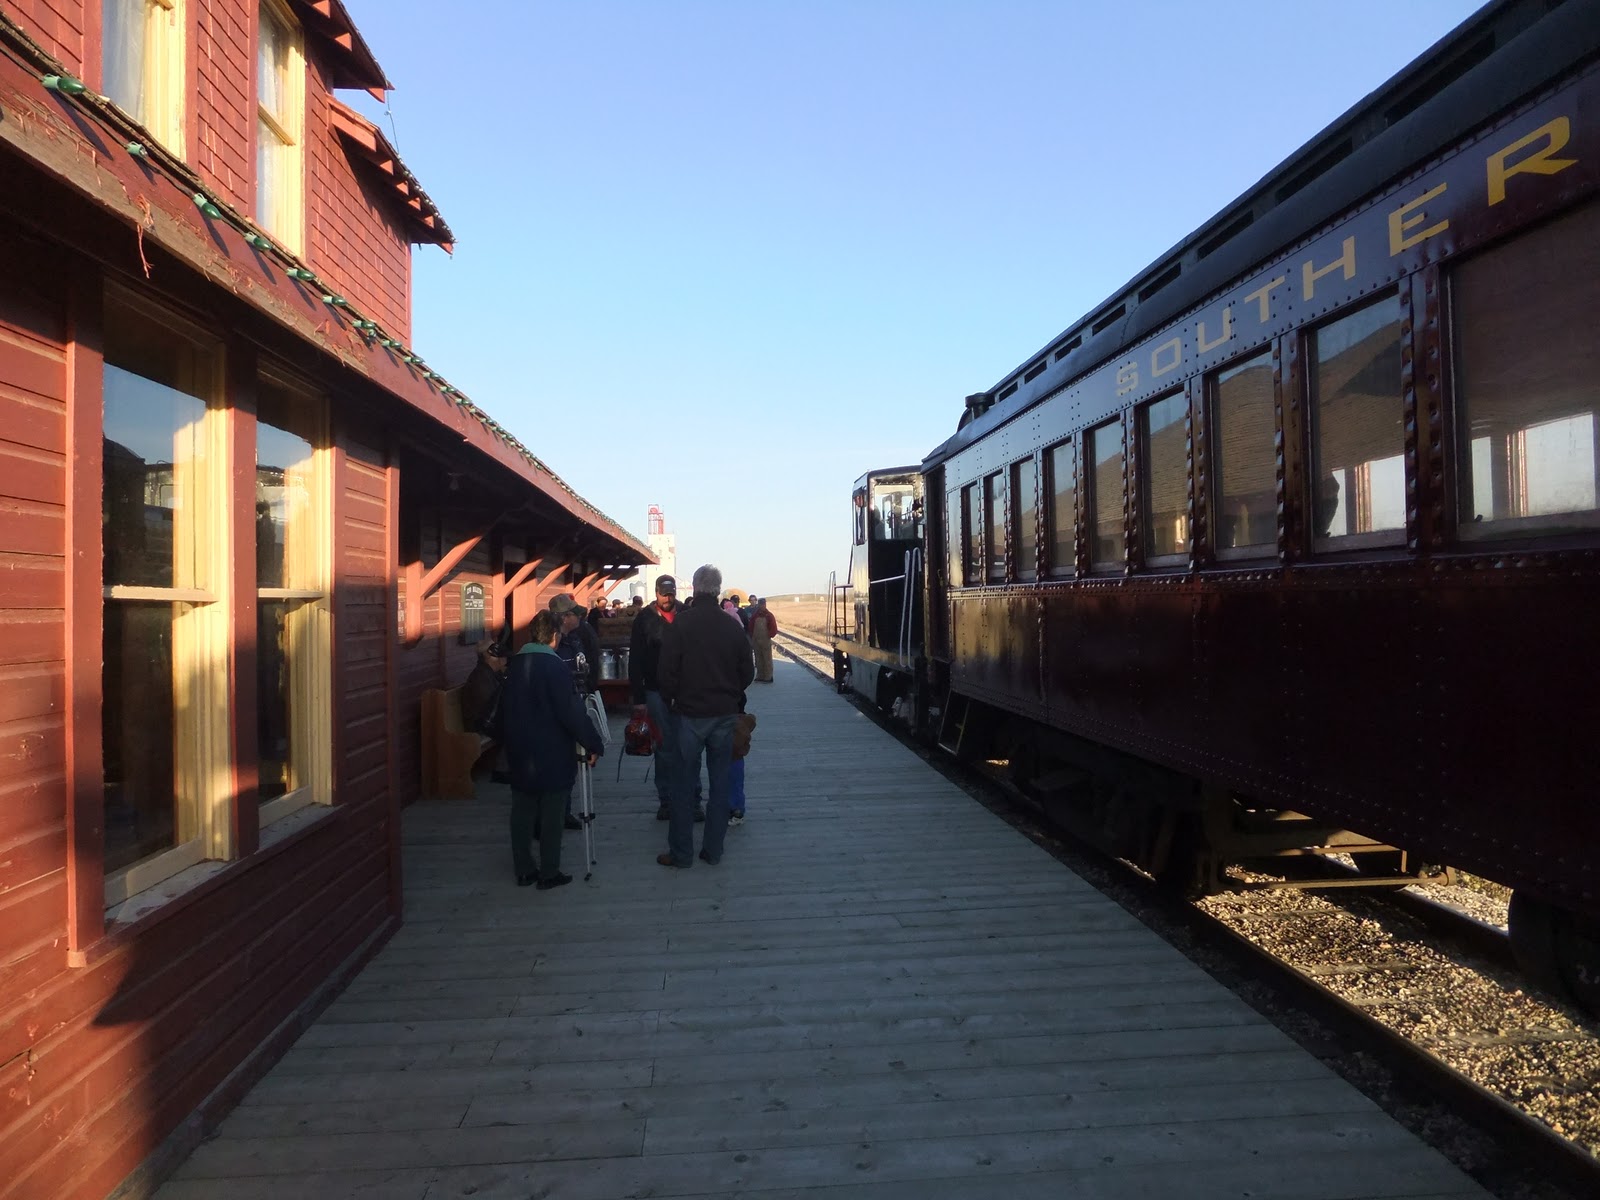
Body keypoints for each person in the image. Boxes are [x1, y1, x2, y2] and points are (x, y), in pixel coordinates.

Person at [656, 564, 754, 869]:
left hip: (688, 715)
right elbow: (747, 672)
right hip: (724, 715)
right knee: (720, 784)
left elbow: (665, 673)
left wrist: (675, 696)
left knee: (683, 785)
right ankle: (713, 851)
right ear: (719, 589)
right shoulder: (732, 627)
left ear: (695, 590)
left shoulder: (681, 625)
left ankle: (682, 854)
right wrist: (730, 693)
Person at [501, 610, 604, 889]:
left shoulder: (514, 664)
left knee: (521, 809)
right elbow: (571, 712)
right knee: (552, 809)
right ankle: (549, 871)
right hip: (551, 748)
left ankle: (523, 868)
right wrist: (593, 743)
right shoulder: (556, 667)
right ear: (555, 637)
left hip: (519, 747)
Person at [629, 575, 703, 822]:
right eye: (663, 594)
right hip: (655, 692)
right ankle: (667, 801)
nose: (667, 598)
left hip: (686, 691)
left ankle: (694, 801)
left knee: (690, 747)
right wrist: (637, 697)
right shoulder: (644, 619)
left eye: (671, 594)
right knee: (664, 748)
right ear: (656, 593)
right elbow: (636, 659)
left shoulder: (687, 614)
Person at [749, 596, 778, 683]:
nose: (761, 606)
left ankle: (768, 676)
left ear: (765, 604)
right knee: (758, 659)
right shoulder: (755, 616)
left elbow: (774, 628)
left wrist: (769, 635)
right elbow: (751, 626)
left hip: (765, 640)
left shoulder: (769, 615)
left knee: (767, 658)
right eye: (760, 604)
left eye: (763, 604)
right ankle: (760, 675)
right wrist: (752, 635)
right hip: (756, 640)